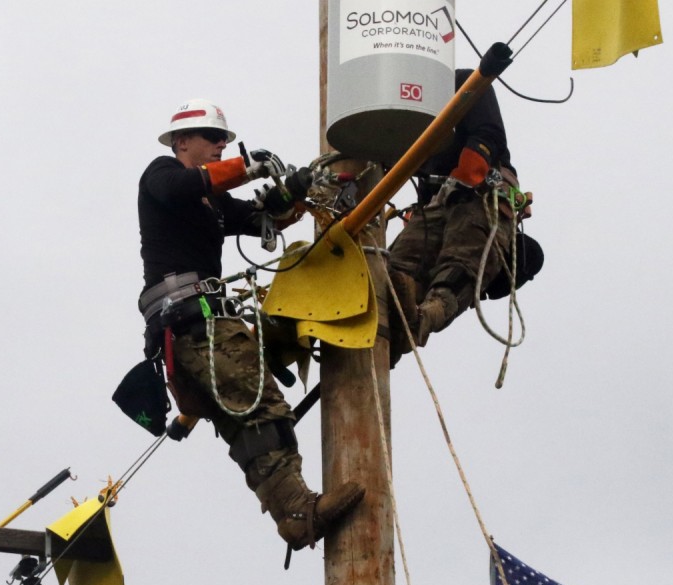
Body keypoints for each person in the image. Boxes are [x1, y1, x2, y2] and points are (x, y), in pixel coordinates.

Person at [137, 98, 364, 551]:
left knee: (250, 425)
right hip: (192, 322)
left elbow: (260, 217)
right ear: (181, 141)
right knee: (263, 406)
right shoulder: (161, 174)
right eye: (212, 137)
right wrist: (248, 166)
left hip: (195, 329)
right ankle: (297, 508)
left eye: (224, 140)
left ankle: (293, 514)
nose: (221, 145)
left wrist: (292, 192)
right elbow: (185, 187)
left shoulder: (212, 203)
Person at [388, 69, 527, 355]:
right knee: (393, 271)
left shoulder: (465, 82)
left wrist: (470, 171)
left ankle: (425, 318)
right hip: (435, 200)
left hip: (481, 188)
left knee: (459, 266)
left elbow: (489, 134)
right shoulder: (403, 111)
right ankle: (390, 333)